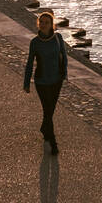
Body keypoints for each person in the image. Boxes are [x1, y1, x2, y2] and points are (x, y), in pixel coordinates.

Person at [24, 12, 68, 155]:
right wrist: (26, 82)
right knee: (47, 111)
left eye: (46, 22)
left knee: (50, 111)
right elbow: (30, 63)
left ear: (51, 25)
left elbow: (64, 57)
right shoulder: (35, 42)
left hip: (56, 80)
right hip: (41, 81)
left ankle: (44, 129)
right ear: (38, 24)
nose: (43, 24)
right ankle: (53, 143)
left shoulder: (58, 38)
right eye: (41, 22)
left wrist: (64, 74)